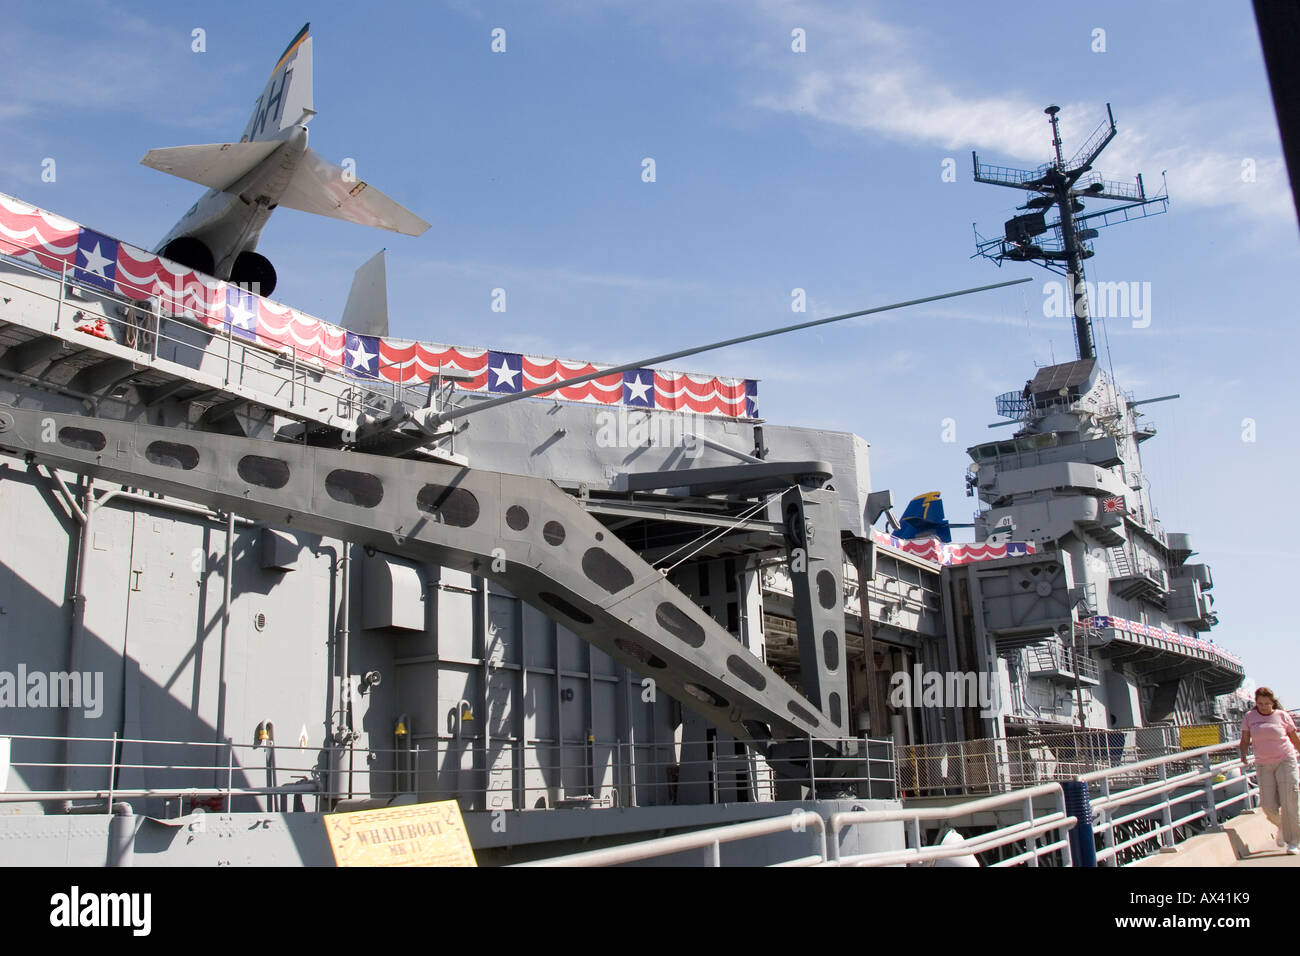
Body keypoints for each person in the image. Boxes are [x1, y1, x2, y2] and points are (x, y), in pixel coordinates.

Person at [1239, 687, 1300, 854]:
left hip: (1285, 760)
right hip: (1263, 763)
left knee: (1290, 800)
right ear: (1255, 703)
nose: (1263, 707)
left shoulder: (1282, 716)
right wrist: (1243, 755)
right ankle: (1282, 826)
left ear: (1273, 702)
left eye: (1267, 704)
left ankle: (1293, 842)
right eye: (1260, 704)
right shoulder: (1250, 717)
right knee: (1267, 805)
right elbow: (1245, 739)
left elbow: (1294, 739)